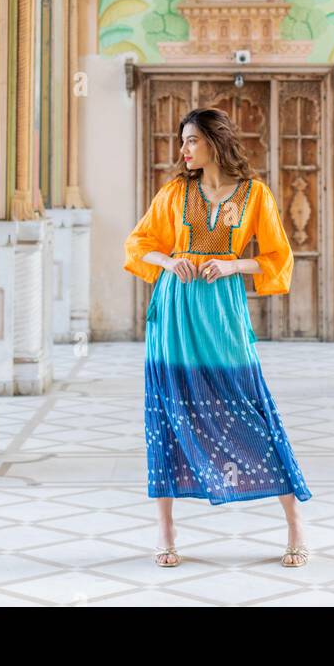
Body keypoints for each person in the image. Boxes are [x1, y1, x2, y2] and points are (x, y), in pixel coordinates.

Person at [123, 107, 312, 568]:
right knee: (169, 413)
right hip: (174, 310)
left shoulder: (254, 195)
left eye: (191, 140)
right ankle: (166, 529)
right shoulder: (173, 194)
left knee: (250, 408)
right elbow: (138, 244)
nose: (183, 150)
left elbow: (277, 258)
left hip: (222, 311)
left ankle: (294, 523)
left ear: (214, 142)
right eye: (182, 141)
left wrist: (232, 264)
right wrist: (170, 262)